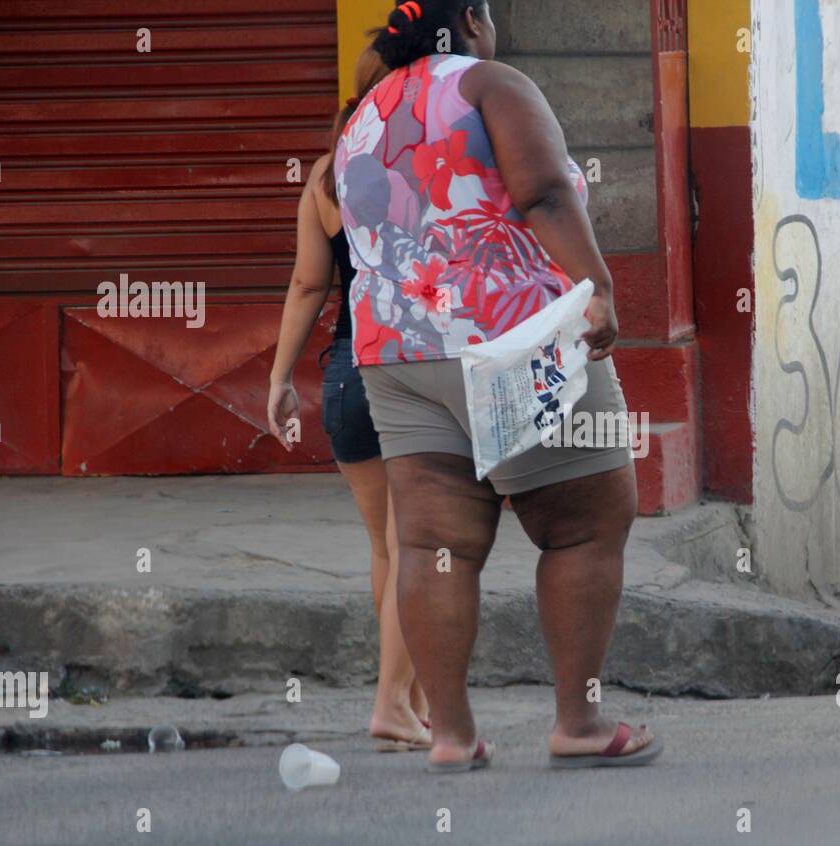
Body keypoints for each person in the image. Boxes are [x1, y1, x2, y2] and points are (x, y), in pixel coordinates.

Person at [334, 0, 661, 772]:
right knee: (585, 522)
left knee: (432, 541)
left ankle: (450, 735)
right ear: (474, 18)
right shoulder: (489, 83)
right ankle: (577, 723)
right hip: (515, 336)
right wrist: (600, 287)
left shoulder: (362, 116)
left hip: (396, 351)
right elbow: (543, 192)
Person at [267, 46, 431, 751]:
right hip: (407, 370)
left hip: (344, 379)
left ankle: (413, 702)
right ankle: (392, 704)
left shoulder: (326, 177)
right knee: (416, 545)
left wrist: (277, 378)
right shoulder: (424, 162)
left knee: (389, 551)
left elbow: (308, 285)